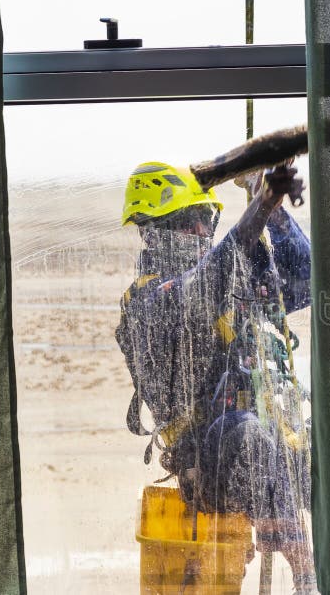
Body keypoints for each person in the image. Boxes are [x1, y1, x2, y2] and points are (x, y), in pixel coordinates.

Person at [115, 161, 315, 592]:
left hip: (270, 448)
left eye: (208, 220)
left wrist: (274, 208)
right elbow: (201, 290)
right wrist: (258, 210)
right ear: (152, 231)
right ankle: (302, 568)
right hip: (210, 466)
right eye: (191, 223)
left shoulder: (230, 276)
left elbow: (304, 277)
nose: (203, 232)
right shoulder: (150, 303)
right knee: (241, 433)